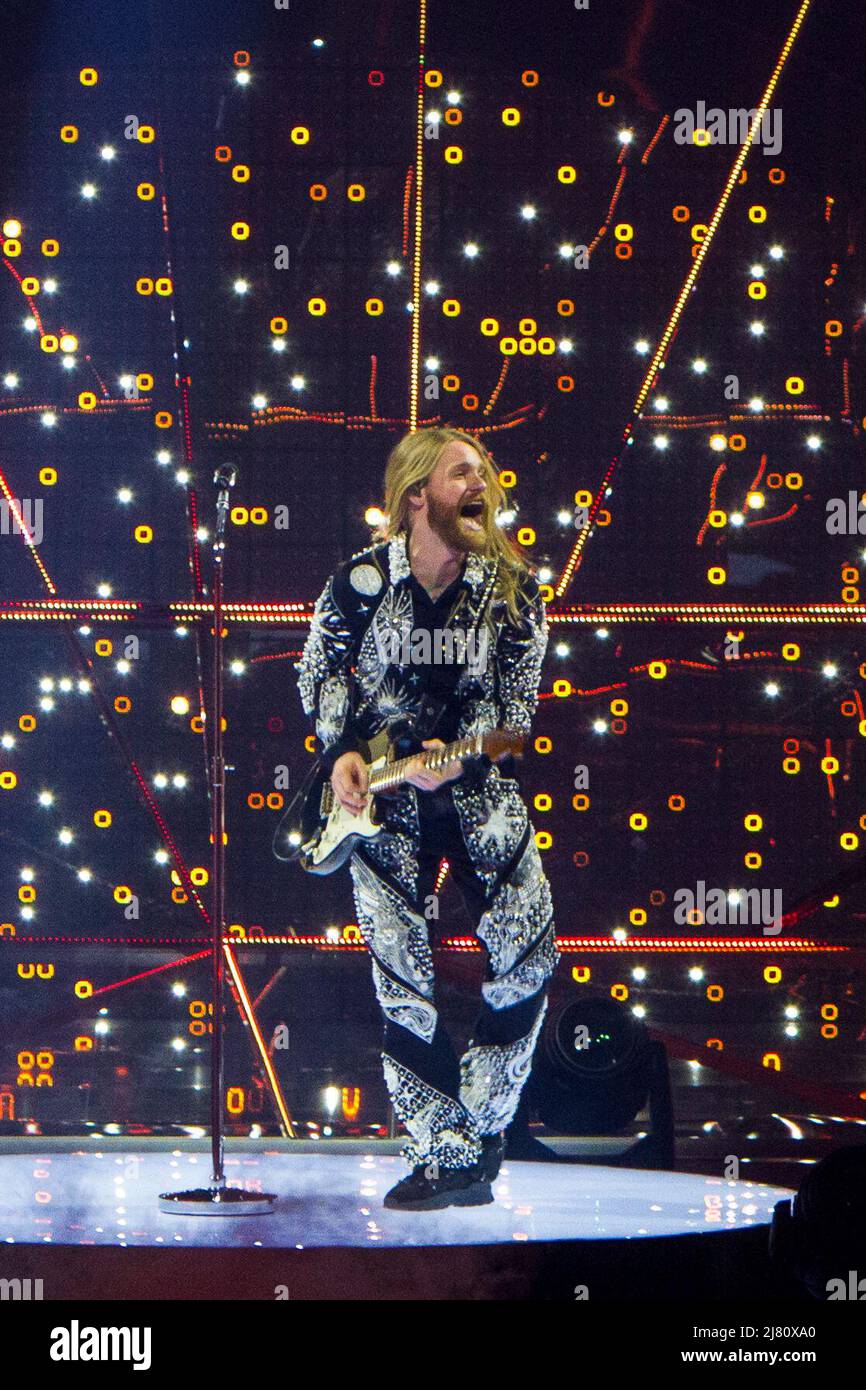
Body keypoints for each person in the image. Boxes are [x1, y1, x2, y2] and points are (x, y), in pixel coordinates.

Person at [295, 426, 559, 1210]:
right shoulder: (358, 583)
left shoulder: (513, 592)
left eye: (484, 475)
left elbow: (520, 719)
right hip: (381, 801)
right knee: (403, 985)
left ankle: (475, 1132)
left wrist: (471, 752)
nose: (481, 487)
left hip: (475, 789)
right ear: (418, 496)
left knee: (529, 956)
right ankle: (443, 1153)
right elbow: (317, 671)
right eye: (461, 475)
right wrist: (341, 749)